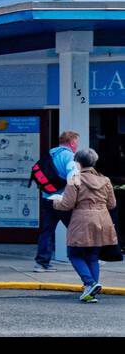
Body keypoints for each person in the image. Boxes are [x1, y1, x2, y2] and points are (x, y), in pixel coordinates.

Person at [52, 148, 118, 303]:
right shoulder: (105, 180)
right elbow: (112, 204)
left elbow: (67, 204)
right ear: (94, 162)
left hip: (81, 221)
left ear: (77, 162)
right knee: (93, 256)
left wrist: (56, 202)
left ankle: (90, 283)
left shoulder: (75, 178)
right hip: (102, 220)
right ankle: (91, 291)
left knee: (74, 254)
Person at [34, 130, 81, 271]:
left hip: (46, 198)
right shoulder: (70, 156)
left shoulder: (50, 153)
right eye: (76, 143)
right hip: (63, 200)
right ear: (72, 142)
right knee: (76, 229)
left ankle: (41, 263)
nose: (77, 146)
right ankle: (84, 258)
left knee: (47, 231)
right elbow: (73, 177)